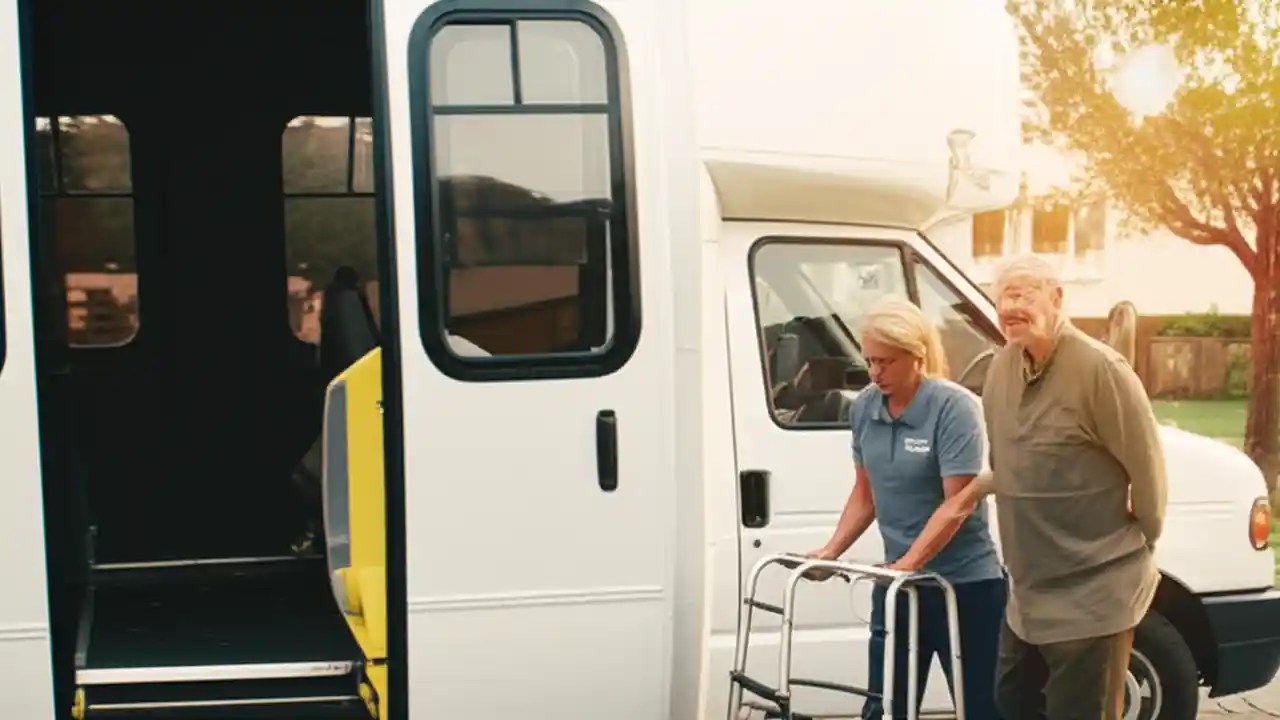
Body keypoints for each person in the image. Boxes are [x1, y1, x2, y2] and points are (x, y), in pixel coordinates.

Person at [903, 255, 1167, 719]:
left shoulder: (1101, 370)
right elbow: (1011, 462)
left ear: (1057, 298)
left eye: (1025, 294)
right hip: (1027, 597)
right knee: (1011, 702)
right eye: (1005, 296)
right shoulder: (1001, 369)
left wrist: (1142, 537)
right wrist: (976, 489)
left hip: (1095, 592)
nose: (1011, 307)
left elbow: (1148, 473)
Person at [808, 295, 1006, 719]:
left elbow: (958, 504)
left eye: (886, 362)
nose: (875, 372)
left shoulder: (953, 408)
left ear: (916, 356)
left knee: (983, 710)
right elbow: (865, 495)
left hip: (966, 588)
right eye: (870, 361)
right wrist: (830, 552)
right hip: (900, 589)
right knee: (884, 710)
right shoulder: (864, 407)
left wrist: (910, 562)